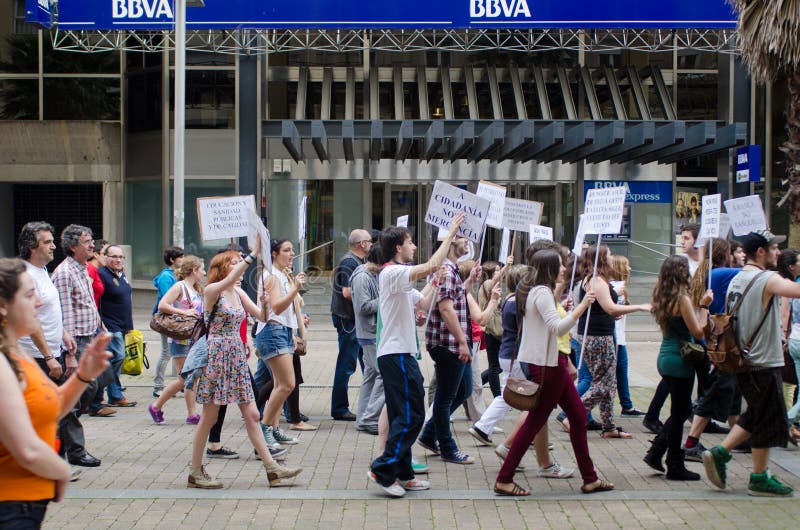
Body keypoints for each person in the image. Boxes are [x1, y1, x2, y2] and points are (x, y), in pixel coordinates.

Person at [0, 258, 111, 529]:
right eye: (29, 295)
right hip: (11, 505)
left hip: (24, 506)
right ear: (3, 307)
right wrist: (61, 472)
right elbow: (26, 449)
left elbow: (51, 407)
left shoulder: (15, 352)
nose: (40, 301)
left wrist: (83, 375)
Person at [493, 249, 612, 496]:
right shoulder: (542, 292)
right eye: (559, 265)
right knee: (535, 422)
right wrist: (581, 307)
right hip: (547, 365)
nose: (564, 269)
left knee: (578, 416)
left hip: (549, 363)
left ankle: (590, 478)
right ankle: (504, 478)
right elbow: (558, 328)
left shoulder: (535, 290)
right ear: (549, 268)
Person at [189, 244, 302, 488]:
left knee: (252, 414)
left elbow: (261, 317)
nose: (239, 266)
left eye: (240, 261)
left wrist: (264, 304)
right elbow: (230, 277)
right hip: (217, 357)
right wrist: (253, 254)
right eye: (234, 261)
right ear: (222, 268)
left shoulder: (238, 293)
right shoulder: (212, 290)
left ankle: (272, 469)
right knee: (209, 417)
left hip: (236, 357)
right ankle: (195, 472)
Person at [368, 214, 463, 497]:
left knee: (404, 414)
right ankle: (383, 469)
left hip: (401, 353)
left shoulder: (398, 280)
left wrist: (435, 282)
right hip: (395, 354)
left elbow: (422, 302)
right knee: (411, 416)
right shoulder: (392, 273)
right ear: (398, 247)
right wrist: (451, 234)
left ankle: (404, 473)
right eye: (409, 242)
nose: (413, 247)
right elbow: (433, 264)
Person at [702, 230, 796, 497]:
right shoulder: (766, 278)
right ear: (761, 252)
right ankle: (752, 474)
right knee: (766, 417)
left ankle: (749, 468)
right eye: (774, 249)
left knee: (758, 414)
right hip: (762, 361)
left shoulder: (738, 278)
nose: (779, 253)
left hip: (744, 359)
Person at [417, 236, 498, 465]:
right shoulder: (446, 271)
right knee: (445, 398)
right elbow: (445, 308)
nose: (467, 242)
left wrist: (469, 282)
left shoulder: (451, 272)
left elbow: (451, 296)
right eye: (462, 238)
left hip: (452, 342)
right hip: (447, 344)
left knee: (462, 391)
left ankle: (429, 434)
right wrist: (463, 342)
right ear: (451, 243)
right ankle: (447, 447)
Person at [17, 222, 85, 480]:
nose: (53, 245)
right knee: (46, 412)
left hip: (52, 350)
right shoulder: (26, 275)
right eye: (47, 242)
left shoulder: (43, 270)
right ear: (32, 246)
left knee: (55, 410)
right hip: (35, 356)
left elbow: (49, 311)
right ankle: (47, 466)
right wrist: (48, 356)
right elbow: (31, 320)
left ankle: (53, 464)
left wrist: (64, 334)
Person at [643, 256, 711, 480]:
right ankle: (674, 465)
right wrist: (704, 308)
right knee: (679, 413)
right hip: (681, 360)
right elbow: (698, 333)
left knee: (679, 411)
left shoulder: (660, 295)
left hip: (665, 357)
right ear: (682, 273)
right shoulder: (682, 299)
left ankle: (657, 453)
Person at [578, 244, 650, 439]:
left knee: (607, 382)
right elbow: (610, 308)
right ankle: (574, 413)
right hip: (598, 338)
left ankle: (609, 427)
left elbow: (604, 309)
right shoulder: (596, 281)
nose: (612, 258)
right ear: (601, 259)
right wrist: (640, 307)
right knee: (604, 384)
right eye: (609, 255)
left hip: (599, 335)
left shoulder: (598, 280)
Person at [51, 225, 115, 433]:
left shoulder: (84, 269)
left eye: (91, 240)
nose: (91, 246)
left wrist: (101, 326)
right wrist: (70, 353)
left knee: (99, 379)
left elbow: (89, 302)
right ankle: (67, 430)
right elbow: (65, 313)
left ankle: (69, 427)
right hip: (76, 340)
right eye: (86, 242)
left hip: (90, 335)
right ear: (72, 247)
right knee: (85, 387)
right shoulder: (64, 273)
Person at [256, 238, 311, 455]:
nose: (291, 254)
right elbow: (277, 307)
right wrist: (296, 286)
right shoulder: (271, 276)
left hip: (282, 331)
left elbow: (285, 307)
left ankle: (275, 428)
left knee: (280, 383)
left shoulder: (281, 275)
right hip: (273, 331)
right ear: (274, 253)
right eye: (287, 250)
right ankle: (265, 429)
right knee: (287, 384)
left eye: (292, 250)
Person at [147, 256, 205, 425]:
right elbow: (162, 305)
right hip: (180, 339)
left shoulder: (195, 288)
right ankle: (156, 406)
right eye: (202, 269)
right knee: (184, 377)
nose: (204, 272)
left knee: (191, 377)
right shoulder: (179, 286)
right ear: (194, 270)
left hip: (193, 338)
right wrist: (184, 313)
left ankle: (192, 414)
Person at [330, 229, 372, 421]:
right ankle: (339, 408)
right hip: (348, 320)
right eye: (370, 241)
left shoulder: (357, 262)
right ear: (362, 244)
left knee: (369, 364)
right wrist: (368, 298)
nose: (372, 244)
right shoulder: (349, 262)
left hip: (354, 320)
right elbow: (347, 293)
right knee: (347, 364)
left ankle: (372, 404)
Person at [96, 245, 137, 409]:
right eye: (114, 256)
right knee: (117, 356)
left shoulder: (121, 274)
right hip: (109, 324)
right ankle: (108, 392)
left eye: (120, 257)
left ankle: (115, 394)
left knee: (115, 358)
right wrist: (101, 324)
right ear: (105, 257)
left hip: (122, 324)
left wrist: (129, 326)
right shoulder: (102, 275)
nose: (118, 260)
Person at [351, 244, 384, 435]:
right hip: (369, 333)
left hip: (370, 332)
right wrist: (386, 298)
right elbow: (362, 307)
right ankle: (369, 417)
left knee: (371, 376)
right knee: (383, 374)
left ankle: (364, 417)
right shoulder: (363, 277)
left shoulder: (369, 275)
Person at [610, 255, 642, 416]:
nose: (630, 269)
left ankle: (627, 404)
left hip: (619, 337)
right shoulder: (615, 288)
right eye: (626, 265)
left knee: (621, 371)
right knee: (616, 372)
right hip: (614, 337)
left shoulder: (619, 287)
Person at [152, 246, 185, 398]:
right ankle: (158, 386)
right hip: (168, 320)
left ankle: (182, 383)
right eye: (181, 257)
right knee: (166, 353)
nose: (183, 260)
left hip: (176, 318)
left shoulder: (176, 275)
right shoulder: (167, 277)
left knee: (180, 352)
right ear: (172, 260)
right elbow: (167, 300)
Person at [86, 239, 108, 308]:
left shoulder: (98, 270)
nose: (108, 257)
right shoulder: (90, 268)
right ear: (96, 254)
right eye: (105, 254)